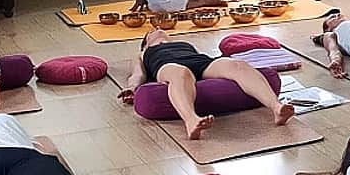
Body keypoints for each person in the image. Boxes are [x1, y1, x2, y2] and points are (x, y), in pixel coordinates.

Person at [118, 29, 294, 139]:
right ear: (146, 41)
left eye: (159, 28)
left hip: (201, 63)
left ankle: (276, 107)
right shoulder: (143, 53)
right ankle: (191, 120)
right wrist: (132, 88)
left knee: (237, 65)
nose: (157, 29)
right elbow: (138, 74)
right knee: (181, 74)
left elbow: (204, 57)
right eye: (152, 31)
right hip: (168, 66)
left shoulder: (182, 43)